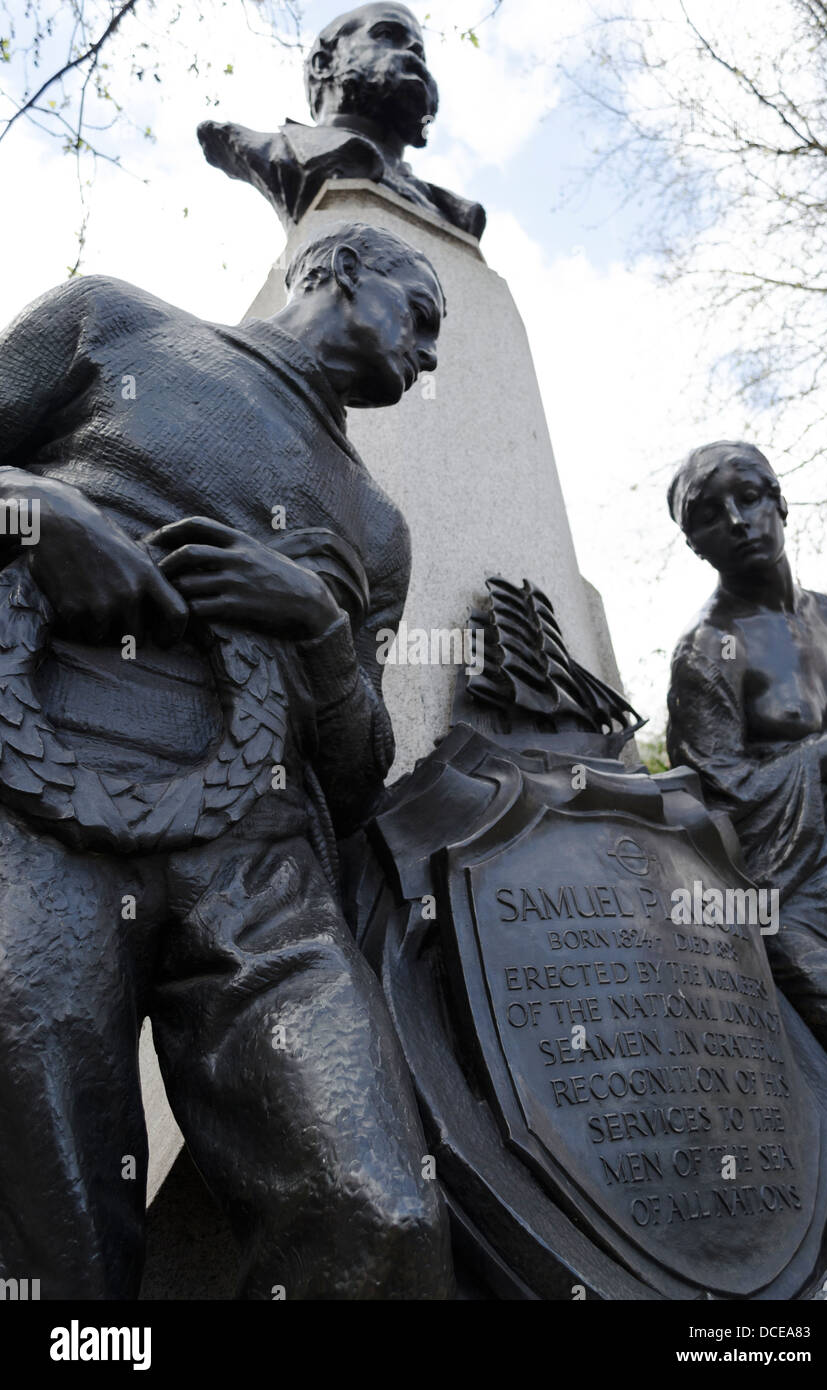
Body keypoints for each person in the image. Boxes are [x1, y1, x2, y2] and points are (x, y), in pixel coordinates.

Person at [0, 220, 454, 1298]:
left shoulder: (380, 529)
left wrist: (325, 637)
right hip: (37, 781)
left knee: (380, 1206)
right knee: (43, 1218)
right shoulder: (110, 318)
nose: (431, 358)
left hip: (259, 856)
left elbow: (360, 773)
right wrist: (35, 507)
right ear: (337, 271)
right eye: (422, 318)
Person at [666, 440, 827, 1096]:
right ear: (694, 542)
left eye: (749, 497)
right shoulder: (705, 651)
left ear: (780, 502)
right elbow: (714, 794)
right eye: (708, 513)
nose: (738, 520)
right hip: (795, 893)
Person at [198, 2, 486, 238]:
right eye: (387, 34)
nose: (413, 52)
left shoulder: (454, 213)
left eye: (419, 49)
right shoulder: (277, 153)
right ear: (324, 64)